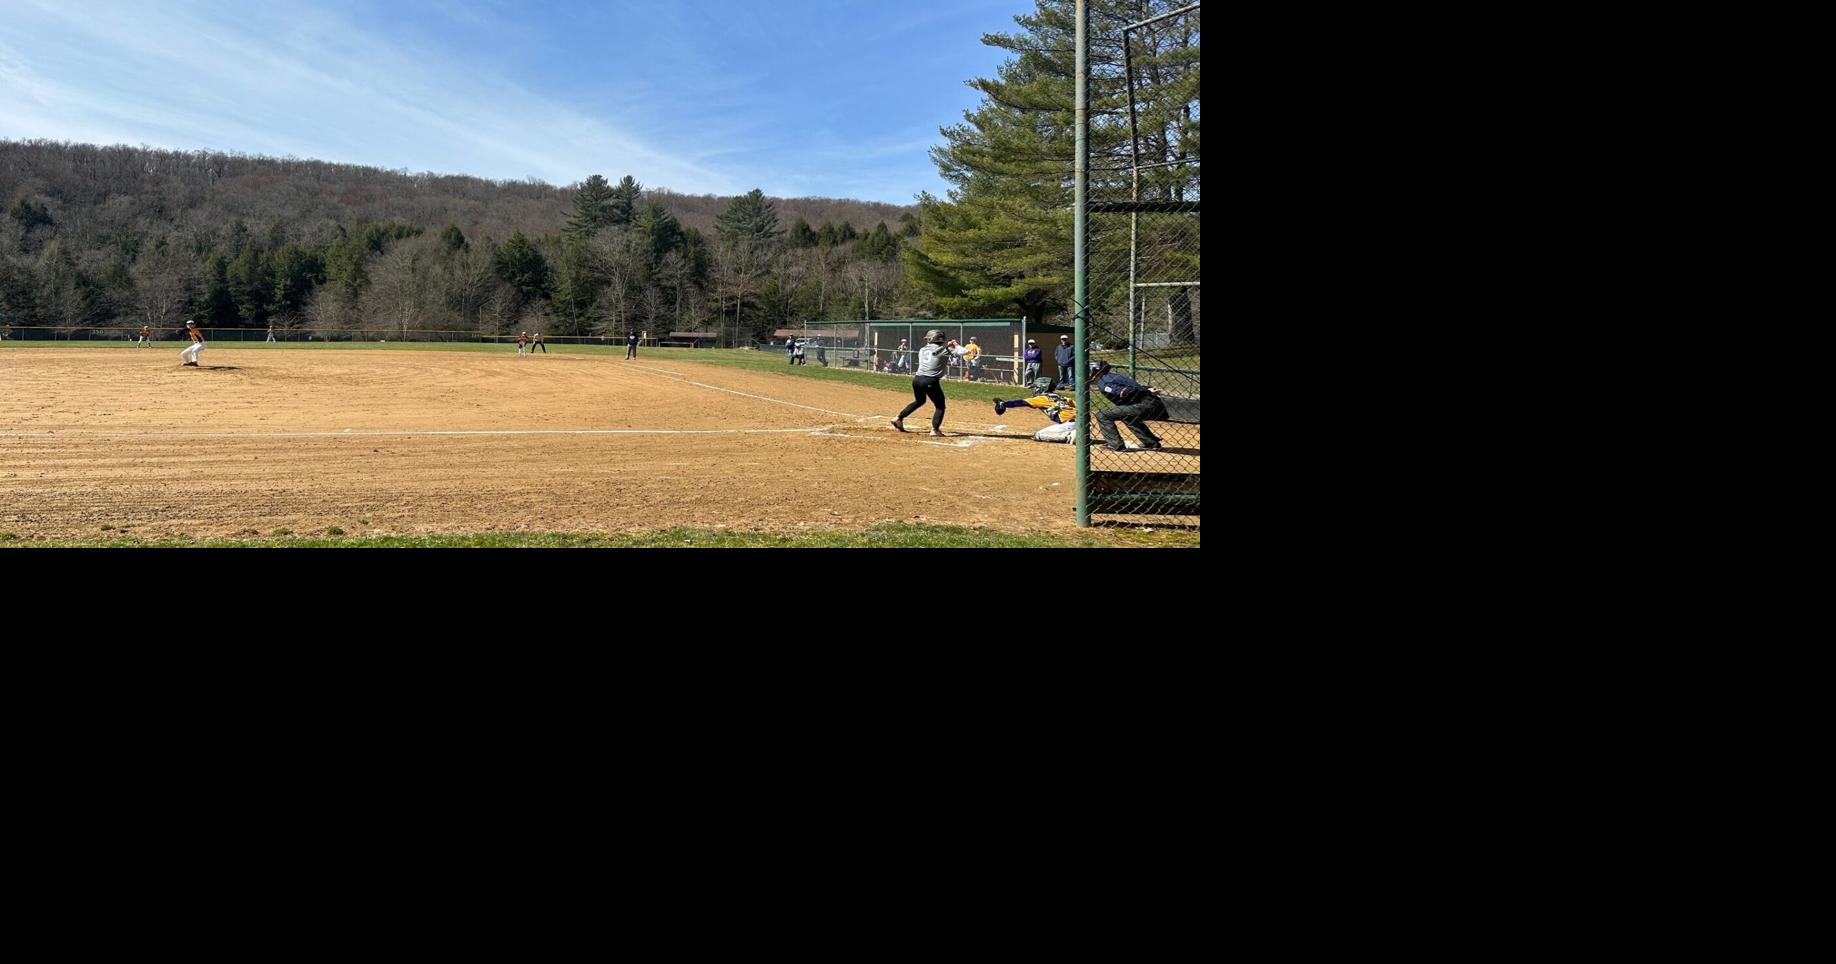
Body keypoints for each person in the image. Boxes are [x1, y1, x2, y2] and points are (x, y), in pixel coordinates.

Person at [890, 329, 969, 437]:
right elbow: (965, 351)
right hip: (930, 380)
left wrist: (947, 346)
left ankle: (898, 418)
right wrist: (955, 345)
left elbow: (936, 352)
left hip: (917, 379)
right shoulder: (943, 350)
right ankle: (935, 430)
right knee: (940, 406)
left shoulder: (923, 349)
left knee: (919, 401)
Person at [1089, 359, 1166, 452]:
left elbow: (1125, 392)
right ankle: (1151, 443)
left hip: (1144, 405)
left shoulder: (1103, 381)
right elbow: (1134, 387)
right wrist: (1147, 389)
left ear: (1096, 370)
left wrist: (1147, 390)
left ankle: (1115, 444)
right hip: (1155, 406)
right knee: (1127, 417)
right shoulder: (1113, 377)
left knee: (1102, 415)